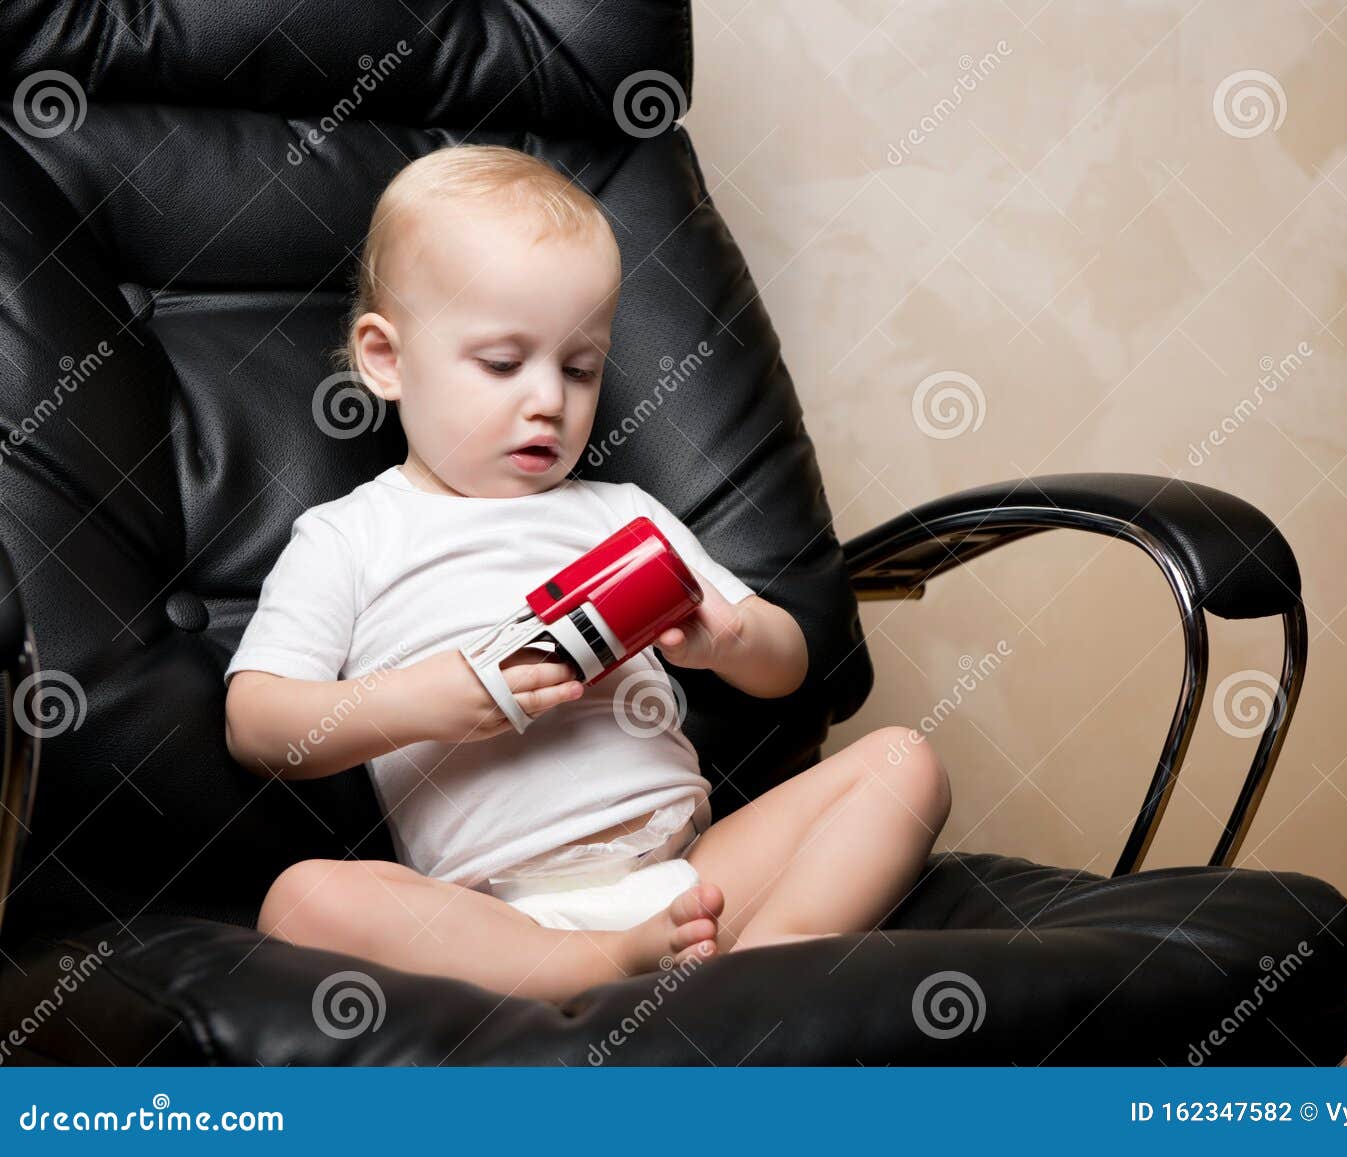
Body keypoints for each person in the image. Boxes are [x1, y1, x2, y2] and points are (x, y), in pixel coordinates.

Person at [223, 145, 950, 1003]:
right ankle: (596, 964)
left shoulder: (623, 513)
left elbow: (790, 664)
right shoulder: (349, 536)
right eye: (502, 363)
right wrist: (429, 698)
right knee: (301, 897)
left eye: (579, 368)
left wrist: (730, 639)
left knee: (906, 763)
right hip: (499, 914)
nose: (548, 400)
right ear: (385, 358)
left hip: (691, 874)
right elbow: (259, 723)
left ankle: (770, 968)